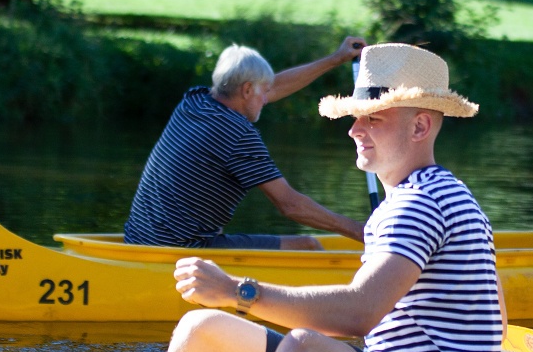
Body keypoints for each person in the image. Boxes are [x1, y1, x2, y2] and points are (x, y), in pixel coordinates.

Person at [159, 42, 504, 352]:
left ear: (419, 127)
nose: (354, 130)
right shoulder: (430, 195)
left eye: (372, 118)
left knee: (303, 349)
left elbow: (359, 312)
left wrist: (237, 291)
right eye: (356, 117)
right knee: (200, 331)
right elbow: (493, 299)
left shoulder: (422, 202)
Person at [123, 38, 368, 250]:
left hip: (138, 240)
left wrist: (335, 59)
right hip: (182, 250)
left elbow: (272, 89)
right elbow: (291, 205)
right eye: (263, 91)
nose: (267, 98)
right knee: (309, 246)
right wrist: (364, 233)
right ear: (247, 89)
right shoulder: (238, 134)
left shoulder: (194, 101)